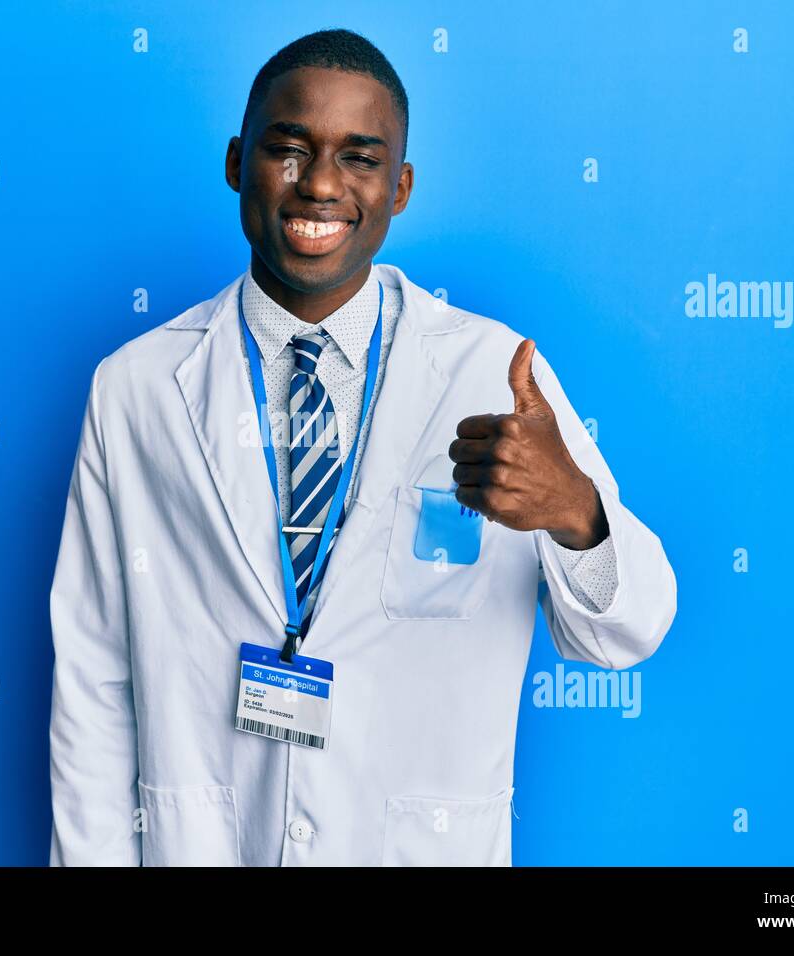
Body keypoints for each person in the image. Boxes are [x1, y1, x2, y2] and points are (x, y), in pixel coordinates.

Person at [49, 28, 676, 866]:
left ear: (401, 187)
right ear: (238, 163)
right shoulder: (135, 388)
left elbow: (627, 633)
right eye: (289, 150)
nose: (319, 186)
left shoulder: (495, 371)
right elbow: (94, 679)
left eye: (361, 158)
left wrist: (576, 515)